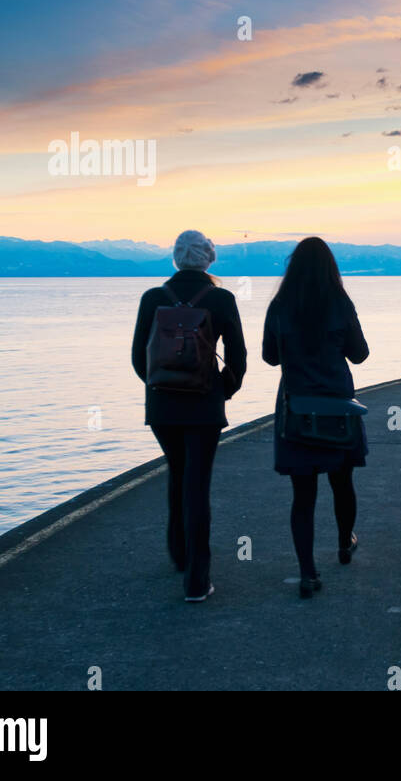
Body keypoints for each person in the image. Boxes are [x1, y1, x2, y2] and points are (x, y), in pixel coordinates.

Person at [131, 230, 247, 602]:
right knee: (198, 484)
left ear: (176, 259)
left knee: (177, 474)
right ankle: (197, 580)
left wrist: (160, 388)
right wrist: (220, 391)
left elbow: (139, 356)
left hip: (162, 406)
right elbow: (239, 357)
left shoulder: (153, 298)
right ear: (209, 259)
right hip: (203, 406)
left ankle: (179, 555)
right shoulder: (221, 298)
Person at [263, 237, 369, 598]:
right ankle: (344, 543)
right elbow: (360, 354)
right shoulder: (340, 302)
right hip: (337, 408)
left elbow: (270, 358)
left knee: (302, 495)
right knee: (343, 482)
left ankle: (308, 574)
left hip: (297, 411)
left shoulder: (280, 306)